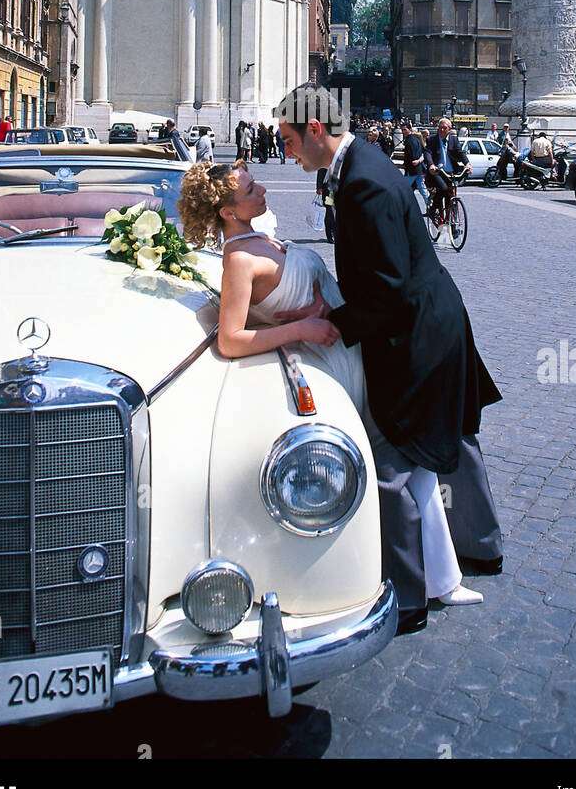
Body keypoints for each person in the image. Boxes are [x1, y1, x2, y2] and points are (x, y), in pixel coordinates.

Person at [177, 156, 480, 615]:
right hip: (334, 359)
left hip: (349, 344)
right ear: (228, 212)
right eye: (251, 189)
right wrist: (302, 330)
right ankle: (424, 579)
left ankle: (437, 574)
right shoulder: (238, 258)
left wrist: (307, 314)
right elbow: (231, 338)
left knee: (411, 456)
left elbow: (278, 300)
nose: (261, 190)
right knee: (401, 458)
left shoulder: (258, 236)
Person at [275, 87, 502, 634]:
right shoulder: (359, 169)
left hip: (414, 331)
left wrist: (326, 323)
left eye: (287, 140)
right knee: (454, 433)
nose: (285, 153)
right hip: (431, 317)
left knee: (392, 462)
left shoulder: (364, 185)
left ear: (314, 130)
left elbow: (386, 292)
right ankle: (481, 546)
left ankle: (406, 597)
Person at [425, 118, 472, 216]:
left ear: (449, 130)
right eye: (440, 128)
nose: (442, 130)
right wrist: (431, 165)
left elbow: (460, 152)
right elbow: (428, 153)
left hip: (450, 173)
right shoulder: (432, 140)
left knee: (450, 196)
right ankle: (433, 208)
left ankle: (452, 223)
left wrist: (467, 164)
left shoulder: (454, 140)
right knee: (443, 188)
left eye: (444, 128)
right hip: (437, 172)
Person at [401, 122, 429, 208]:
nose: (403, 132)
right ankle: (430, 204)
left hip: (411, 170)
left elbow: (410, 156)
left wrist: (407, 163)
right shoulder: (416, 139)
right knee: (422, 189)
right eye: (402, 130)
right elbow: (424, 152)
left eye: (404, 130)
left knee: (404, 189)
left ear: (409, 129)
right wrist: (419, 161)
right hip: (419, 169)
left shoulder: (408, 141)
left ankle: (404, 207)